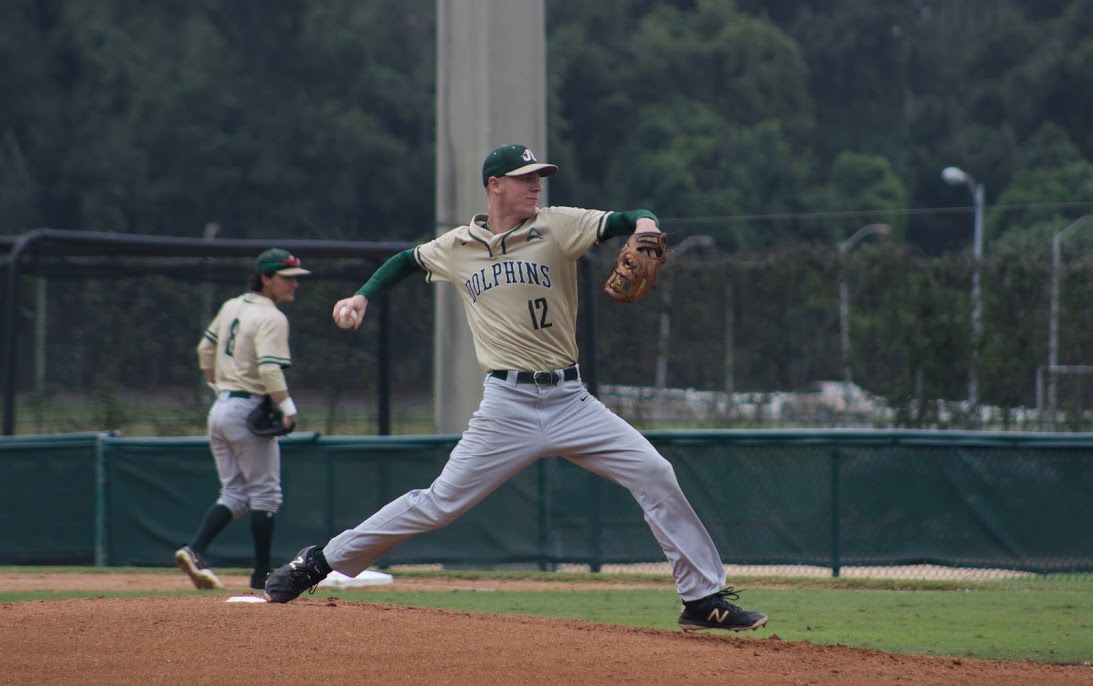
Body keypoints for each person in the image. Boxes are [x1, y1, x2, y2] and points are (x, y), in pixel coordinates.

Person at [264, 145, 767, 632]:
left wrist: (647, 225)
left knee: (655, 472)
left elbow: (630, 215)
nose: (535, 186)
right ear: (494, 185)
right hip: (507, 405)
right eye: (526, 179)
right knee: (438, 503)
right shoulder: (458, 246)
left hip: (572, 401)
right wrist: (361, 297)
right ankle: (319, 561)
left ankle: (701, 599)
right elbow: (407, 260)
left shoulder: (558, 225)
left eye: (539, 178)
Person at [175, 248, 309, 591]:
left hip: (220, 408)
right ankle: (261, 575)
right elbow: (268, 367)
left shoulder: (232, 305)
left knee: (236, 492)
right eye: (287, 278)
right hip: (247, 408)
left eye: (296, 278)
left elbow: (204, 350)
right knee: (266, 495)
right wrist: (288, 408)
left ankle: (195, 550)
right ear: (266, 278)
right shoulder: (273, 317)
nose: (294, 284)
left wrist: (217, 383)